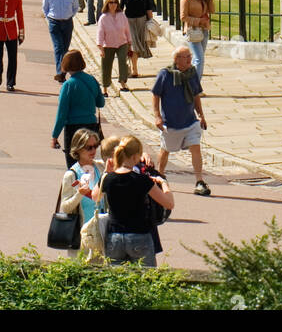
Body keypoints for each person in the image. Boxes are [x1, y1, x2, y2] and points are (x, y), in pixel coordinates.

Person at [99, 136, 174, 267]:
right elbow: (169, 203)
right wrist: (164, 183)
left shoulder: (108, 178)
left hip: (114, 236)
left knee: (115, 280)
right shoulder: (142, 180)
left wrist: (106, 172)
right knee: (146, 280)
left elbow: (96, 196)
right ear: (134, 157)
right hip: (139, 235)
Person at [153, 46, 211, 196]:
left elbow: (196, 95)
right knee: (166, 149)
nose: (190, 59)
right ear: (177, 59)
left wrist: (201, 115)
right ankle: (159, 175)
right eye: (187, 57)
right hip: (171, 123)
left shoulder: (192, 74)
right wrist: (157, 116)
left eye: (190, 56)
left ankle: (199, 181)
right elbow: (156, 94)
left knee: (195, 147)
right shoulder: (165, 74)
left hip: (190, 121)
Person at [51, 50, 106, 167]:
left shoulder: (68, 85)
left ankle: (75, 184)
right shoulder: (92, 80)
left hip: (73, 128)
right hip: (91, 126)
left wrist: (55, 136)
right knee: (88, 162)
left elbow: (62, 114)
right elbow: (101, 103)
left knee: (73, 165)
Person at [60, 128, 104, 247]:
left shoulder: (101, 167)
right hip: (82, 236)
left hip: (102, 233)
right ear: (78, 149)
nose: (93, 150)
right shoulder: (71, 175)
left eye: (95, 146)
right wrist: (79, 194)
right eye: (89, 147)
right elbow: (65, 207)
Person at [42, 0, 79, 80]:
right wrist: (49, 18)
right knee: (58, 47)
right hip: (54, 23)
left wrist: (69, 15)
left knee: (65, 49)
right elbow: (45, 8)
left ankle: (62, 71)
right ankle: (60, 72)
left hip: (67, 23)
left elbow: (75, 8)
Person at [96, 0, 131, 97]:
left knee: (122, 62)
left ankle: (123, 83)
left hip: (122, 43)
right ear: (107, 4)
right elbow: (100, 33)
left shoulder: (122, 15)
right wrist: (101, 47)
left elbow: (127, 29)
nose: (113, 5)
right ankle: (105, 88)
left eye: (115, 2)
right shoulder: (103, 18)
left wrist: (129, 42)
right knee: (106, 66)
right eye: (111, 2)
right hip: (108, 45)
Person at [180, 0, 214, 80]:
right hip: (192, 30)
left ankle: (190, 82)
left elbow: (212, 10)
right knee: (199, 58)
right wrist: (199, 21)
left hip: (204, 30)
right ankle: (195, 87)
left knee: (198, 58)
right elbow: (183, 17)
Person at [121, 0, 154, 77]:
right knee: (134, 45)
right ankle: (134, 70)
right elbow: (120, 8)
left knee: (138, 46)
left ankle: (132, 67)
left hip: (141, 21)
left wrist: (151, 22)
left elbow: (149, 8)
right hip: (128, 21)